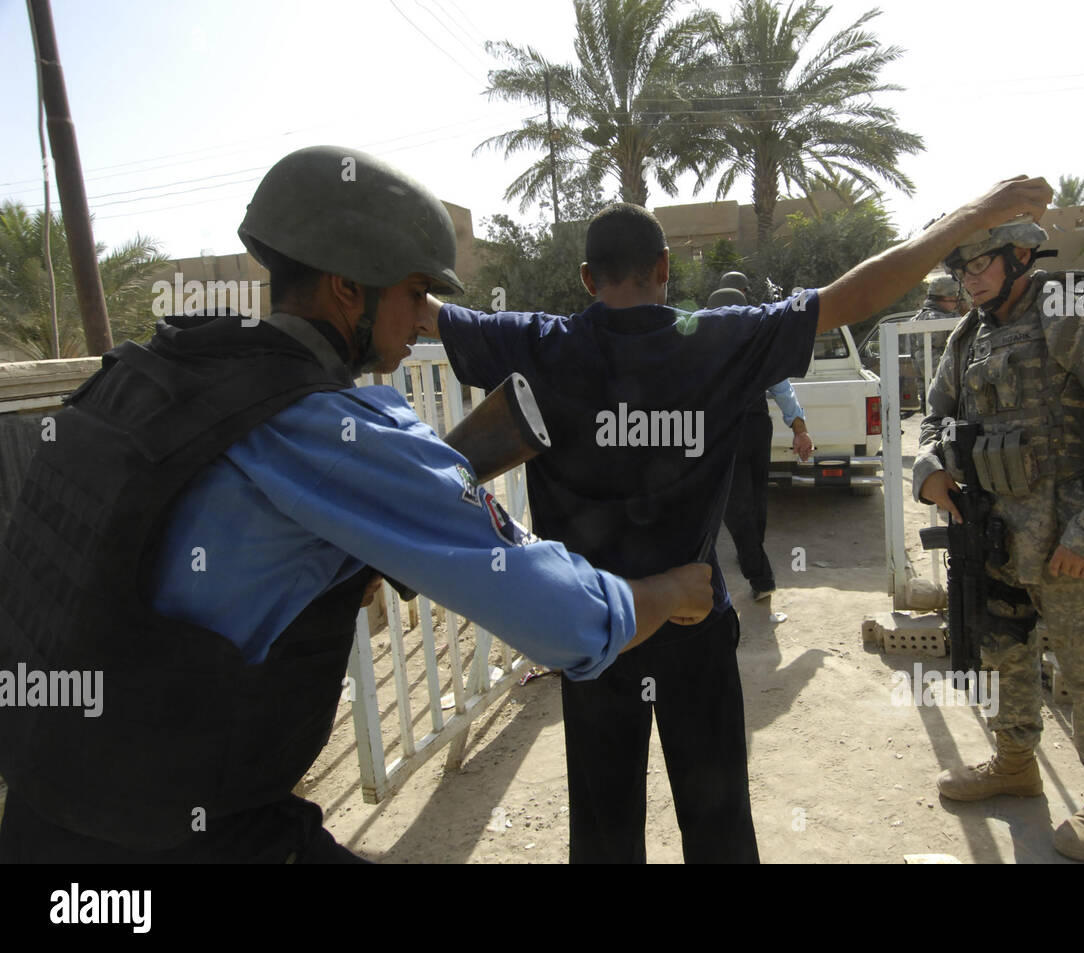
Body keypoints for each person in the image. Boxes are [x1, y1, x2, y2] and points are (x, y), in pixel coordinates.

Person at [0, 146, 714, 864]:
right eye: (413, 294)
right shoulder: (326, 425)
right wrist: (662, 591)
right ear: (348, 288)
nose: (421, 319)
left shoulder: (148, 377)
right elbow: (568, 619)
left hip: (47, 810)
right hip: (177, 832)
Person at [429, 178, 1053, 863]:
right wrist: (976, 211)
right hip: (693, 621)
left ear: (585, 278)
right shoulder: (720, 341)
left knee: (604, 835)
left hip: (595, 628)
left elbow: (419, 313)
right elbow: (859, 291)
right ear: (665, 268)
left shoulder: (539, 343)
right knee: (718, 825)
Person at [916, 220, 1084, 861]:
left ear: (1020, 255)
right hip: (996, 538)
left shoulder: (1076, 317)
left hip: (1072, 544)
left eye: (979, 266)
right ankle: (1014, 764)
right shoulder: (970, 334)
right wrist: (931, 473)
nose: (968, 280)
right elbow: (935, 415)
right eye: (959, 271)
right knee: (1004, 654)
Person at [706, 284, 815, 601]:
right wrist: (799, 428)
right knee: (753, 500)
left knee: (738, 504)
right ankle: (754, 558)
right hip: (756, 427)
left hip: (731, 431)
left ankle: (759, 574)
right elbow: (783, 390)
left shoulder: (708, 350)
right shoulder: (759, 344)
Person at [905, 276, 960, 412]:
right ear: (945, 298)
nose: (957, 302)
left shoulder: (924, 317)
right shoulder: (932, 319)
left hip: (937, 393)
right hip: (942, 396)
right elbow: (934, 367)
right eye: (955, 298)